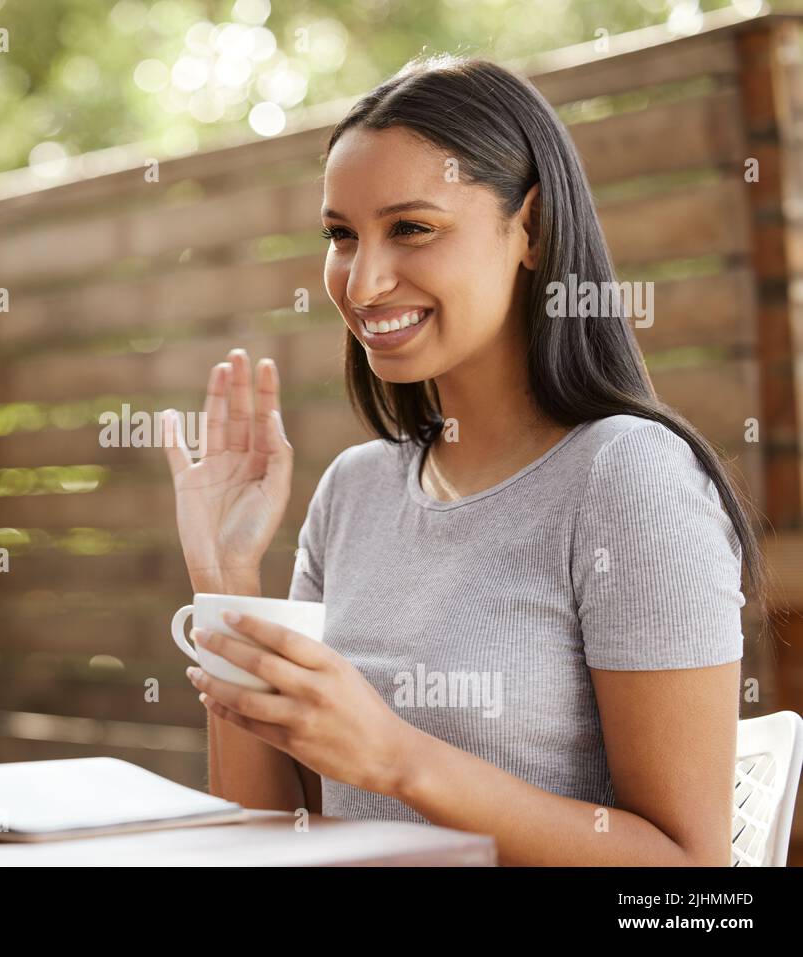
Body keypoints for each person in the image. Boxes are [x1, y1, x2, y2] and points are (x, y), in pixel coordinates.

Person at [159, 53, 769, 866]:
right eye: (342, 235)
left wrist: (398, 758)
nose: (364, 281)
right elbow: (274, 840)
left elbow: (692, 884)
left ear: (533, 227)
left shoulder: (630, 479)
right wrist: (227, 585)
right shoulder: (353, 492)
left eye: (411, 228)